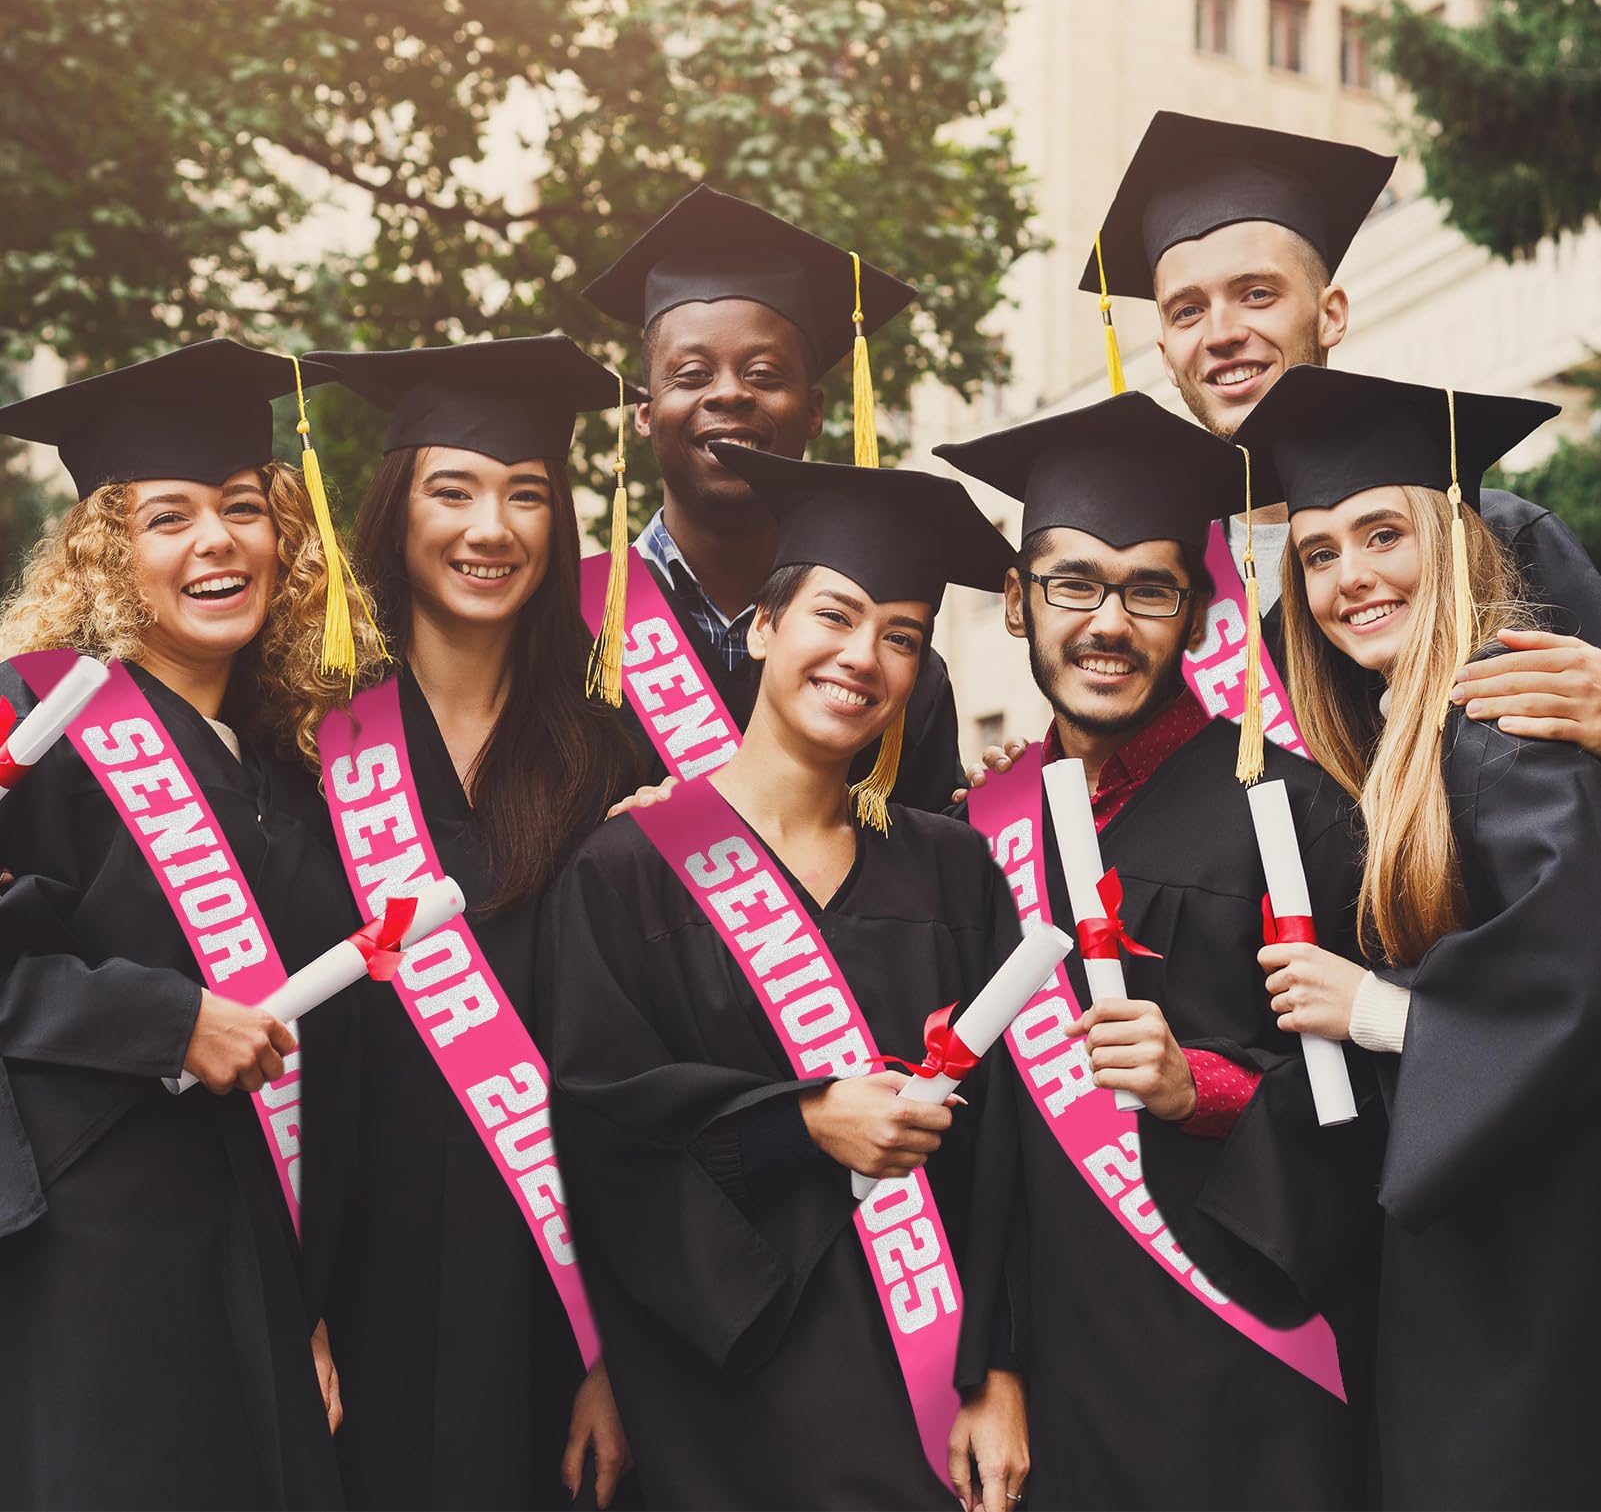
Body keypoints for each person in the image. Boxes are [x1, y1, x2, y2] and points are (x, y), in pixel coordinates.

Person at [536, 448, 1028, 1511]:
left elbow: (1005, 1146)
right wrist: (797, 1121)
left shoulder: (949, 867)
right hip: (719, 1393)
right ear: (762, 626)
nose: (864, 656)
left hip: (924, 1391)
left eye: (901, 636)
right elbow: (598, 1121)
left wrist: (997, 1368)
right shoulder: (627, 870)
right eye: (835, 615)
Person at [936, 392, 1374, 1509]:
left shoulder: (1298, 810)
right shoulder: (974, 837)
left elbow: (1381, 1105)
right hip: (1043, 1387)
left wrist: (1203, 1088)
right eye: (1072, 581)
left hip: (1241, 1370)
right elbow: (971, 1143)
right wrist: (986, 1362)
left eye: (1148, 588)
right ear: (1013, 601)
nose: (1107, 622)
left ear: (1192, 609)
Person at [0, 339, 386, 1509]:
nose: (216, 540)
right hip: (94, 1269)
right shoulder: (35, 711)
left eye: (241, 507)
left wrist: (301, 1300)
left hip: (260, 1262)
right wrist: (165, 1017)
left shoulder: (296, 752)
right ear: (111, 558)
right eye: (167, 518)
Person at [1222, 364, 1601, 1509]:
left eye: (1380, 533)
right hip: (1488, 1239)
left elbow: (1571, 981)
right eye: (1319, 553)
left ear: (1450, 539)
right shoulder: (1404, 738)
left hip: (1533, 1256)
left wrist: (1372, 1008)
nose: (1348, 577)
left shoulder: (1498, 717)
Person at [298, 336, 643, 1511]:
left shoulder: (608, 759)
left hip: (548, 1282)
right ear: (395, 509)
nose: (490, 526)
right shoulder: (307, 742)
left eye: (527, 494)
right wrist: (285, 1303)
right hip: (350, 1266)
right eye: (453, 489)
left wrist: (615, 1353)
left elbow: (639, 1068)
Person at [1081, 110, 1601, 757]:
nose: (1219, 334)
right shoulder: (1164, 595)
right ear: (1165, 353)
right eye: (1187, 311)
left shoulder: (1494, 540)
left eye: (1257, 294)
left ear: (1330, 315)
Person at [581, 183, 967, 808]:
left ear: (813, 411)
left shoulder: (889, 667)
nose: (729, 394)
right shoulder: (565, 635)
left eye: (763, 374)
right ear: (644, 415)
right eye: (692, 375)